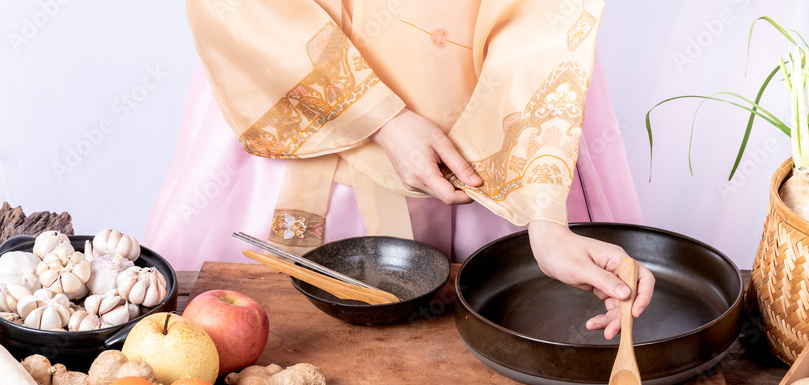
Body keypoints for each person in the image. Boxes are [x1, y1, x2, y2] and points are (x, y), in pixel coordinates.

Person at [145, 0, 653, 338]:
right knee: (228, 348)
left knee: (487, 346)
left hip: (490, 128)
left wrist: (544, 219)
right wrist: (382, 120)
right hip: (287, 92)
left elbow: (543, 20)